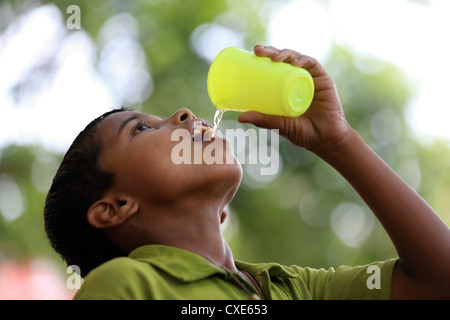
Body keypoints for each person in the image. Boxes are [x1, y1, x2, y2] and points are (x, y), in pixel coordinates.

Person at [44, 45, 450, 300]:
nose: (184, 114)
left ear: (220, 213)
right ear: (114, 207)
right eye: (142, 128)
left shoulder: (293, 288)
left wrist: (337, 140)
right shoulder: (126, 286)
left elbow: (439, 280)